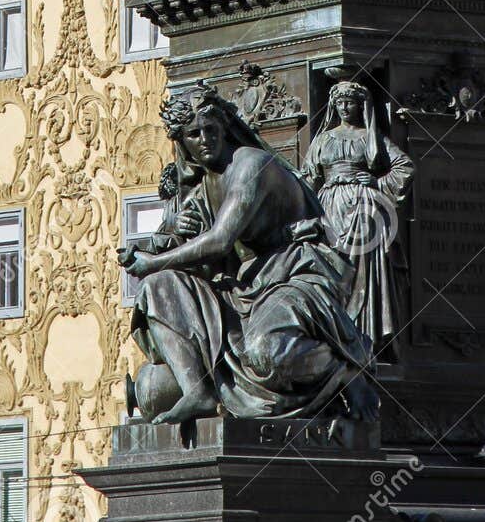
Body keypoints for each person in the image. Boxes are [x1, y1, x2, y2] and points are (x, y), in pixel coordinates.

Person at [120, 83, 374, 423]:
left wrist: (152, 262)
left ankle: (344, 368)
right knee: (158, 286)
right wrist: (162, 240)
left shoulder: (249, 165)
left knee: (264, 355)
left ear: (224, 129)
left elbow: (220, 240)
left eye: (211, 130)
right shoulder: (200, 185)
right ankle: (199, 392)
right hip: (241, 286)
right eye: (194, 134)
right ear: (181, 142)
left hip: (294, 277)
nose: (205, 139)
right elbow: (189, 247)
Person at [302, 74, 413, 357]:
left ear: (360, 106)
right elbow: (308, 178)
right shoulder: (323, 140)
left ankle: (363, 333)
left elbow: (404, 166)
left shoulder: (370, 138)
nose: (345, 108)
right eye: (340, 103)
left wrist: (376, 183)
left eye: (350, 103)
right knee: (329, 267)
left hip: (363, 209)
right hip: (329, 207)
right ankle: (332, 333)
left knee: (361, 272)